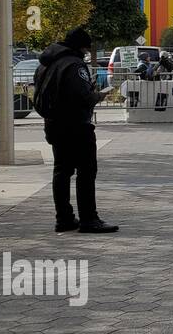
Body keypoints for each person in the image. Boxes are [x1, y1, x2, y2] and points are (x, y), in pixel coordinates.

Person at [32, 28, 118, 234]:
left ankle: (64, 218)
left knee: (61, 170)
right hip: (76, 125)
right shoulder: (74, 64)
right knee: (86, 171)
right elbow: (83, 96)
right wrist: (98, 96)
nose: (87, 52)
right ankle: (89, 218)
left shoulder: (45, 64)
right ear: (81, 46)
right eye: (86, 48)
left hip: (53, 123)